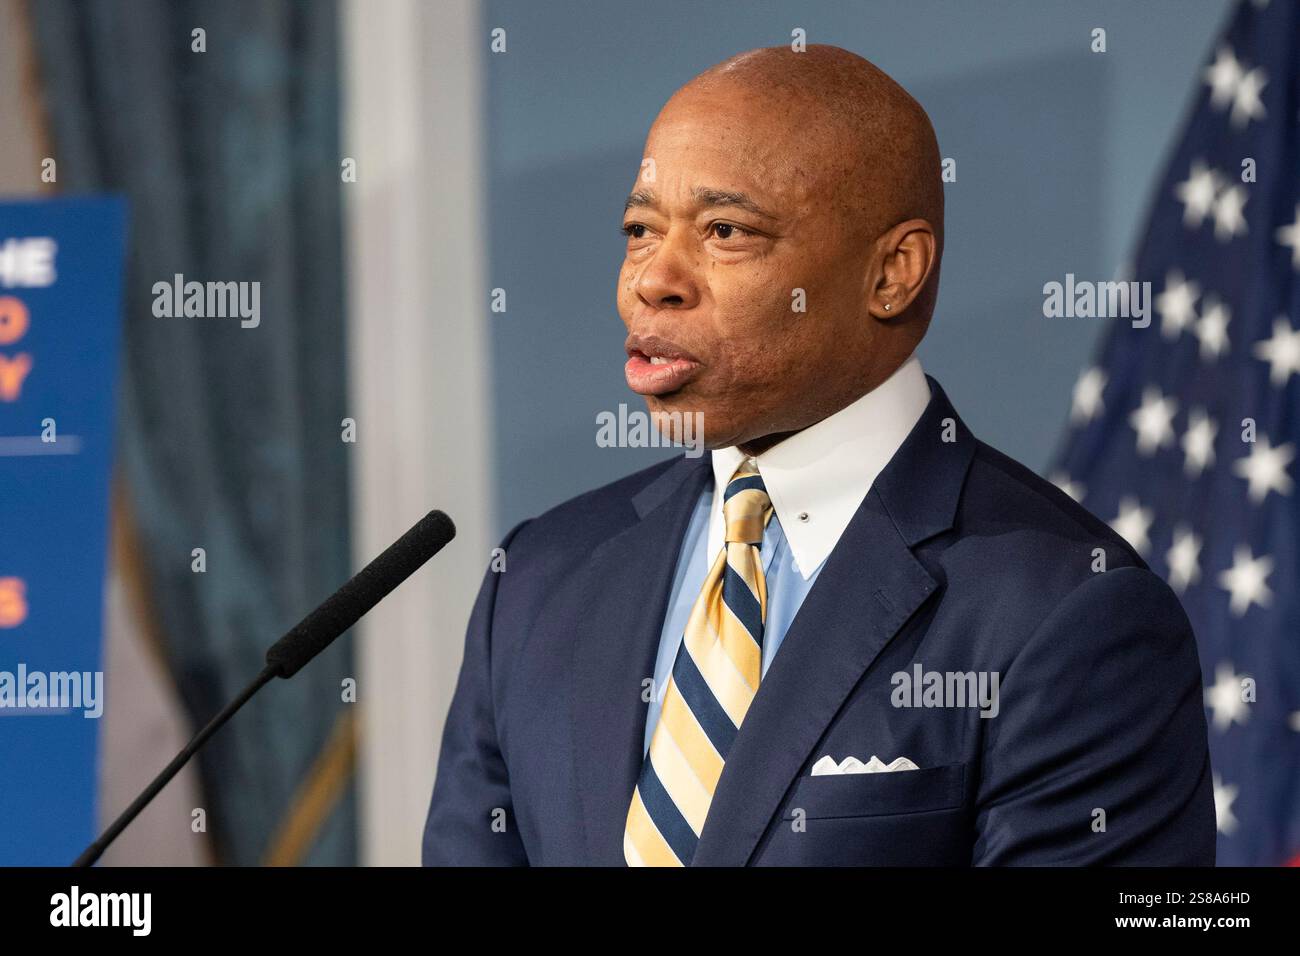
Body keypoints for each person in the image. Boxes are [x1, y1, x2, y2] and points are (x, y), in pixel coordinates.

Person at [422, 44, 1216, 866]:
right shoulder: (539, 580)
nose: (653, 279)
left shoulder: (1070, 615)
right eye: (639, 229)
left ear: (893, 272)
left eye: (725, 231)